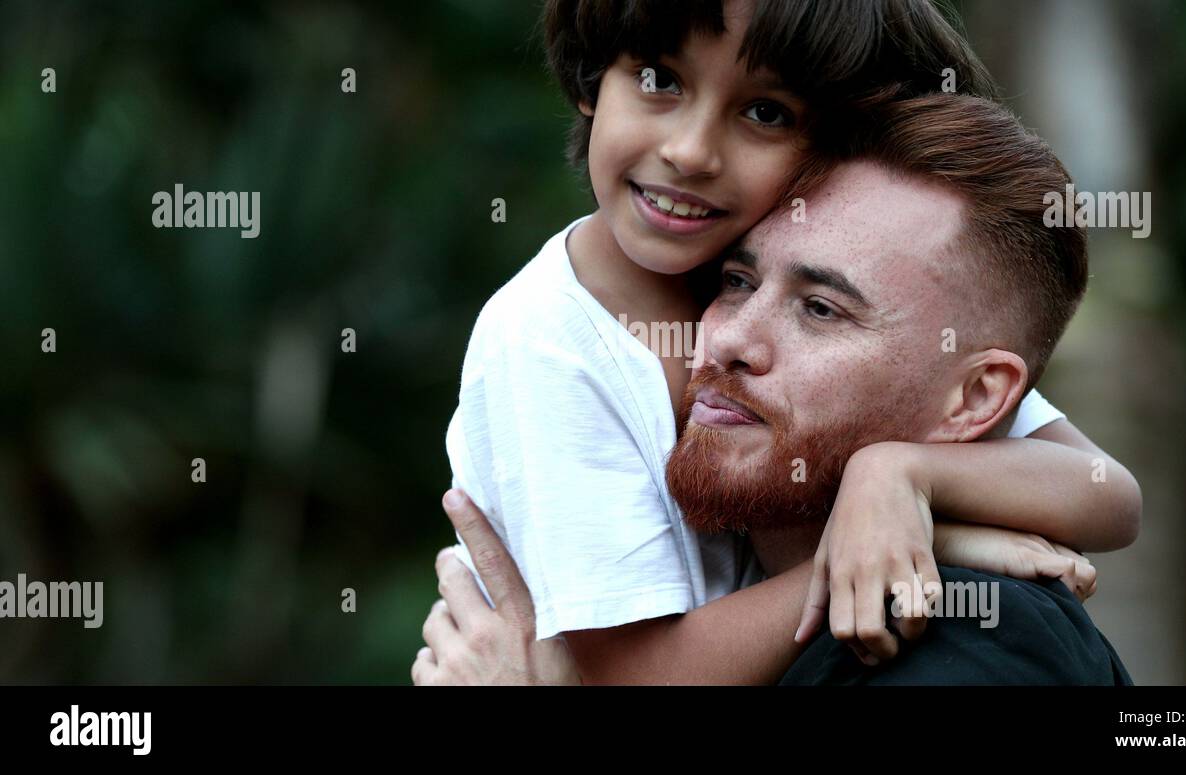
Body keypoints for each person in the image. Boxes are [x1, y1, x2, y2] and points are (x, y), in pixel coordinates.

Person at [424, 1, 1141, 684]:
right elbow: (644, 674)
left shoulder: (773, 258)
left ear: (828, 146)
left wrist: (898, 477)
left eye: (765, 112)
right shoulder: (550, 343)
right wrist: (922, 539)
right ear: (590, 81)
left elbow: (1108, 494)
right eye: (659, 80)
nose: (691, 151)